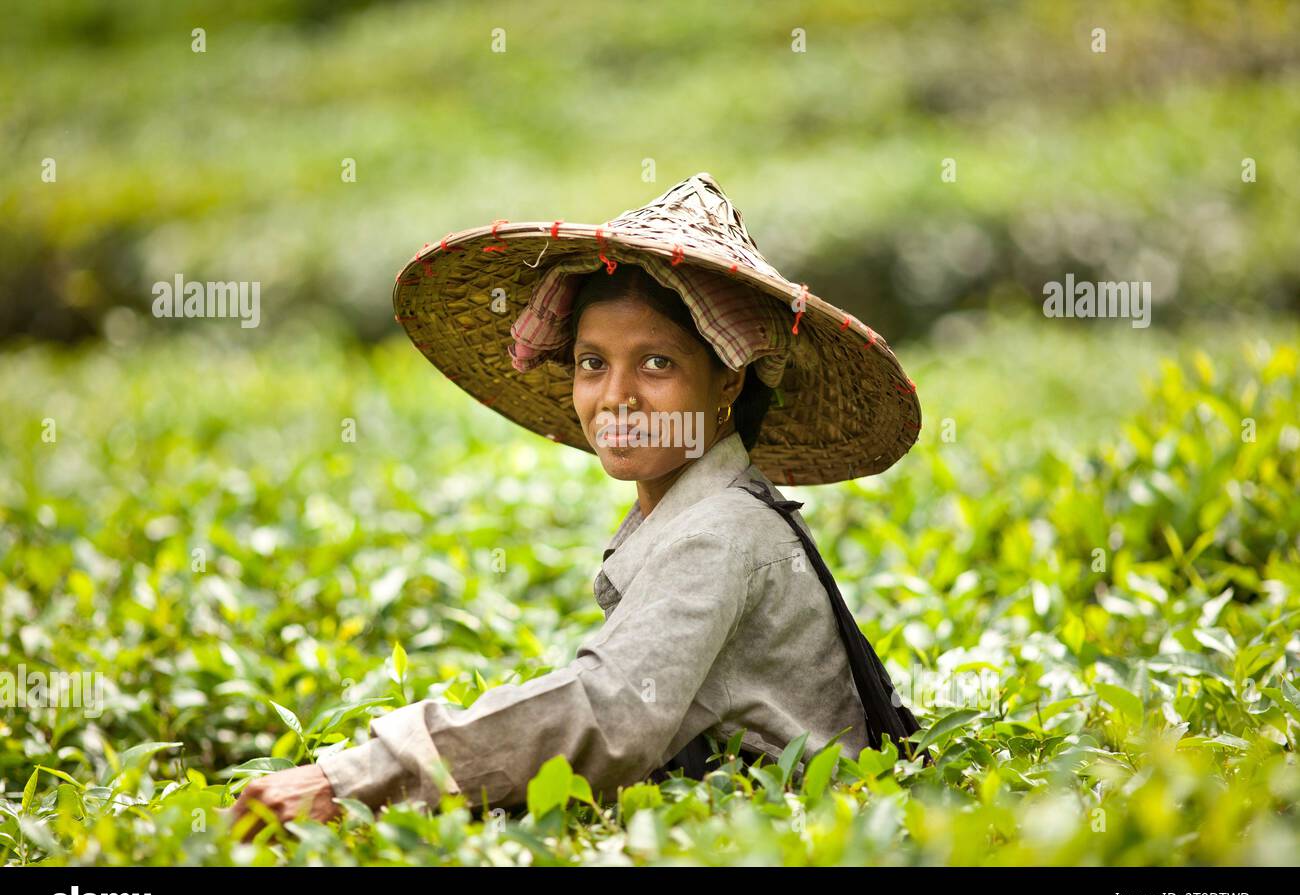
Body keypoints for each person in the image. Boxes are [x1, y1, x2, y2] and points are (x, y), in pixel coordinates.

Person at [230, 172, 923, 838]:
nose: (615, 395)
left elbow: (609, 713)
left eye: (657, 364)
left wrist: (353, 779)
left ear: (727, 384)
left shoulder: (723, 533)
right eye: (594, 363)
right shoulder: (701, 514)